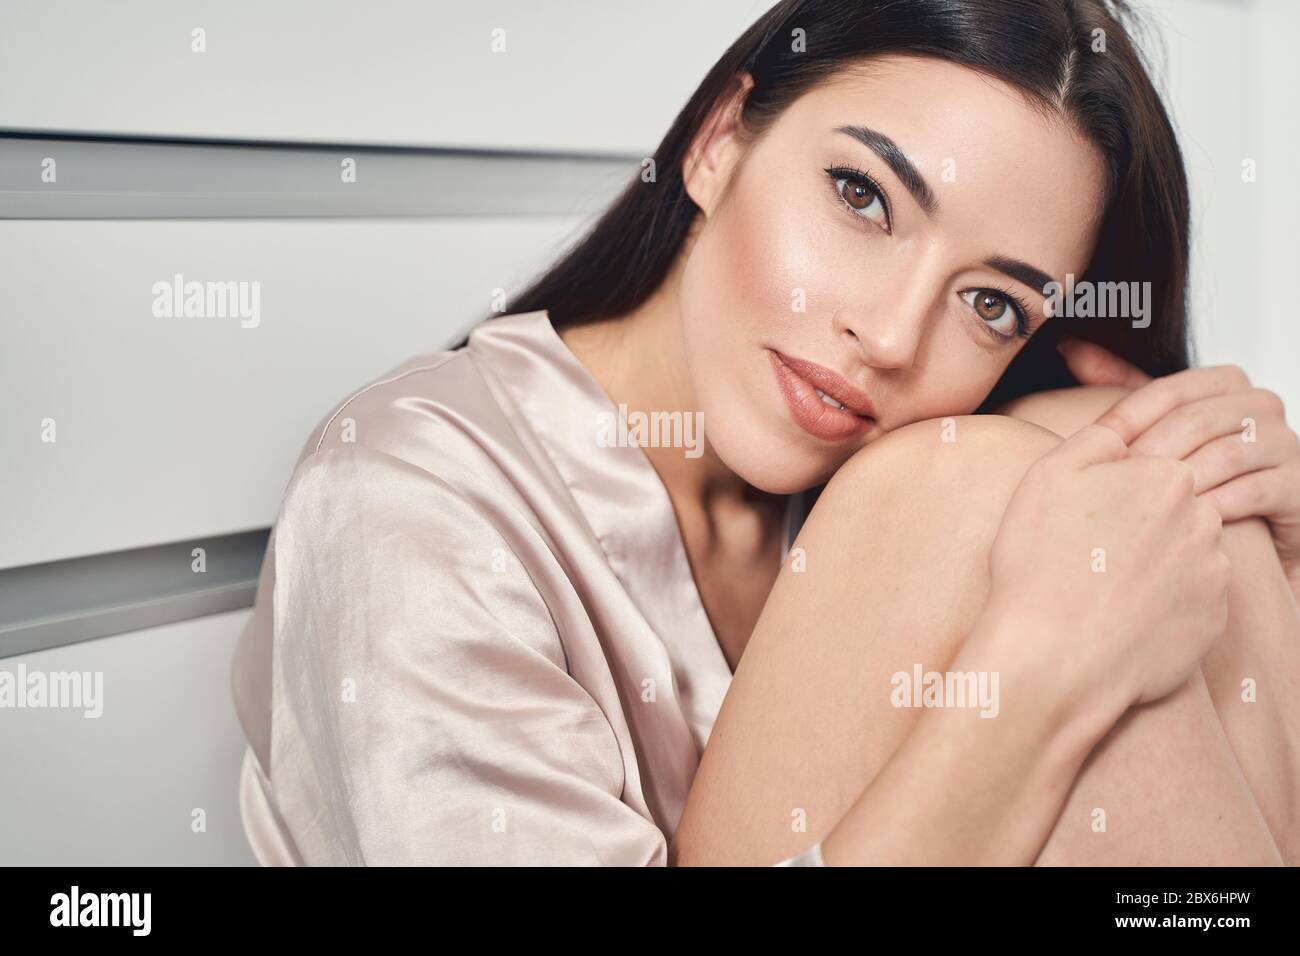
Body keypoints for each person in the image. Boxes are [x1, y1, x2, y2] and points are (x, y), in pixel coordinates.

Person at [230, 0, 1300, 866]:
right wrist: (1039, 675)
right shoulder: (406, 497)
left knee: (1183, 474)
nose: (885, 336)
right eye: (861, 196)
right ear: (715, 145)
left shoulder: (891, 477)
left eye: (990, 305)